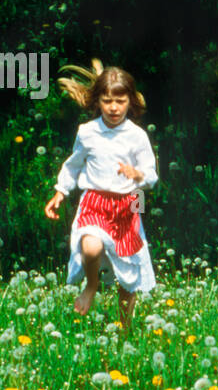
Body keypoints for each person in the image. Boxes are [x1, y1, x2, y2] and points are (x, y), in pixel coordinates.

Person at [44, 60, 157, 329]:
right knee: (90, 246)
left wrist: (138, 175)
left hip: (129, 204)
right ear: (98, 101)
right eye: (107, 101)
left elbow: (151, 176)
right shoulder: (87, 132)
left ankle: (126, 327)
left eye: (120, 100)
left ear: (130, 100)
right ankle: (91, 286)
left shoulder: (137, 136)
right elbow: (72, 165)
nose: (114, 107)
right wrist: (60, 191)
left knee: (128, 273)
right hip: (93, 201)